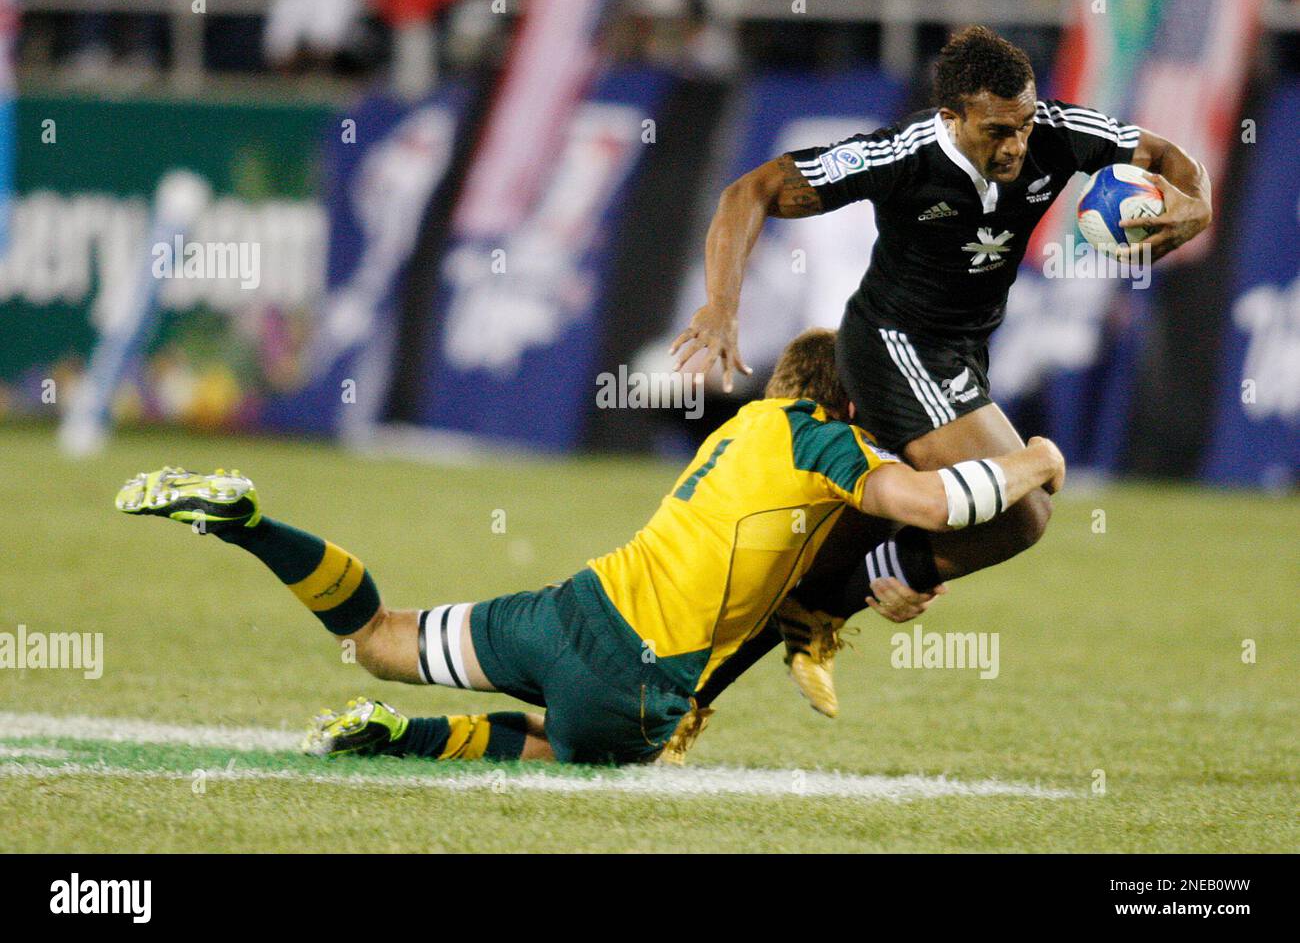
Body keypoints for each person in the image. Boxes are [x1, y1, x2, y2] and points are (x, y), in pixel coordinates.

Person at [114, 328, 1065, 766]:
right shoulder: (827, 438)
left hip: (569, 607)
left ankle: (246, 524)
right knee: (579, 752)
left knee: (377, 636)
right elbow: (930, 502)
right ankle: (403, 738)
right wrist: (1034, 460)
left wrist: (871, 581)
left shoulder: (737, 432)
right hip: (635, 678)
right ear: (845, 404)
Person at [670, 25, 1212, 718]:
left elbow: (1165, 154)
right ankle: (846, 596)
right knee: (1024, 506)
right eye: (996, 131)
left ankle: (702, 685)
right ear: (950, 118)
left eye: (1023, 124)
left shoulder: (1055, 130)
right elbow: (750, 191)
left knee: (853, 542)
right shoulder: (903, 155)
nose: (1016, 145)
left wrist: (1193, 203)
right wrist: (720, 304)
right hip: (893, 345)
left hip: (961, 355)